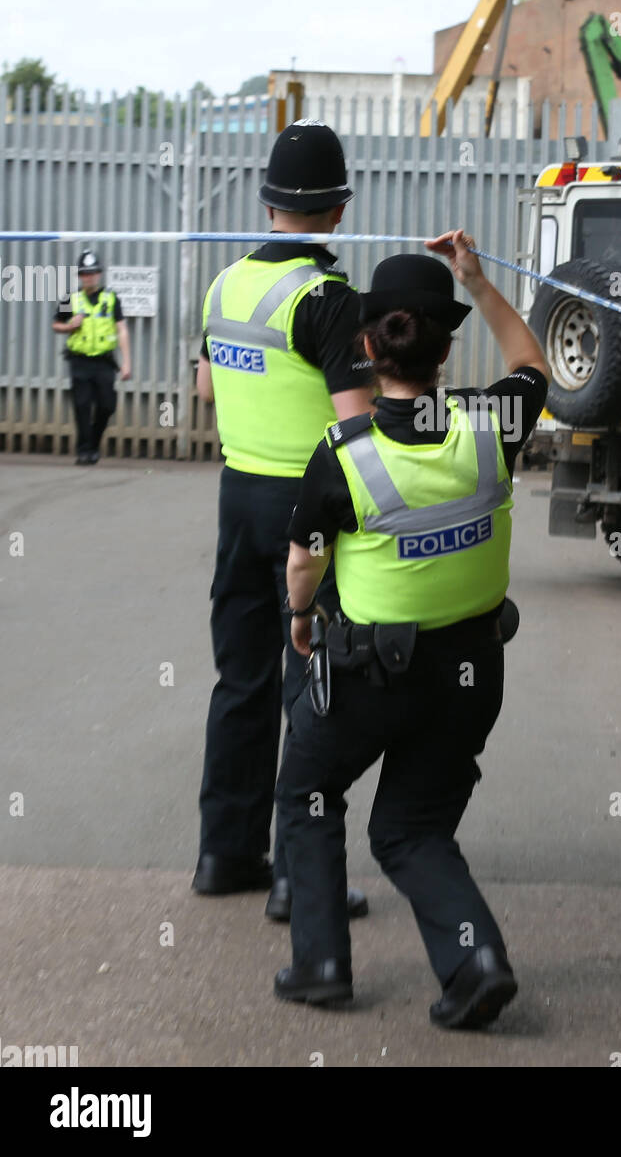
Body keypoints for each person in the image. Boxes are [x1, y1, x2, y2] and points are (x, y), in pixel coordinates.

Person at [273, 232, 549, 1028]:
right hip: (470, 675)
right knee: (413, 827)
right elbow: (532, 362)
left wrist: (300, 618)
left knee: (309, 791)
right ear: (445, 345)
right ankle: (476, 963)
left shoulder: (343, 455)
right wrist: (479, 280)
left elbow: (303, 562)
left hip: (372, 675)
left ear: (366, 345)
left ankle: (321, 963)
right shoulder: (491, 423)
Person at [192, 120, 373, 926]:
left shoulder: (222, 284)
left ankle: (223, 854)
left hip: (237, 496)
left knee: (241, 678)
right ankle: (298, 879)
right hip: (310, 508)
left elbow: (204, 392)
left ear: (268, 203)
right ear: (337, 210)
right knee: (313, 684)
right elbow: (358, 427)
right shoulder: (328, 300)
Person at [52, 250, 131, 464]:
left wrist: (126, 363)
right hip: (80, 360)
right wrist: (70, 325)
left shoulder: (111, 298)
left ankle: (94, 443)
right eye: (85, 273)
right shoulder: (71, 298)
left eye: (93, 272)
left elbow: (122, 330)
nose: (89, 276)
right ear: (80, 275)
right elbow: (56, 324)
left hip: (104, 361)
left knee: (107, 406)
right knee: (82, 405)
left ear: (99, 274)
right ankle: (85, 451)